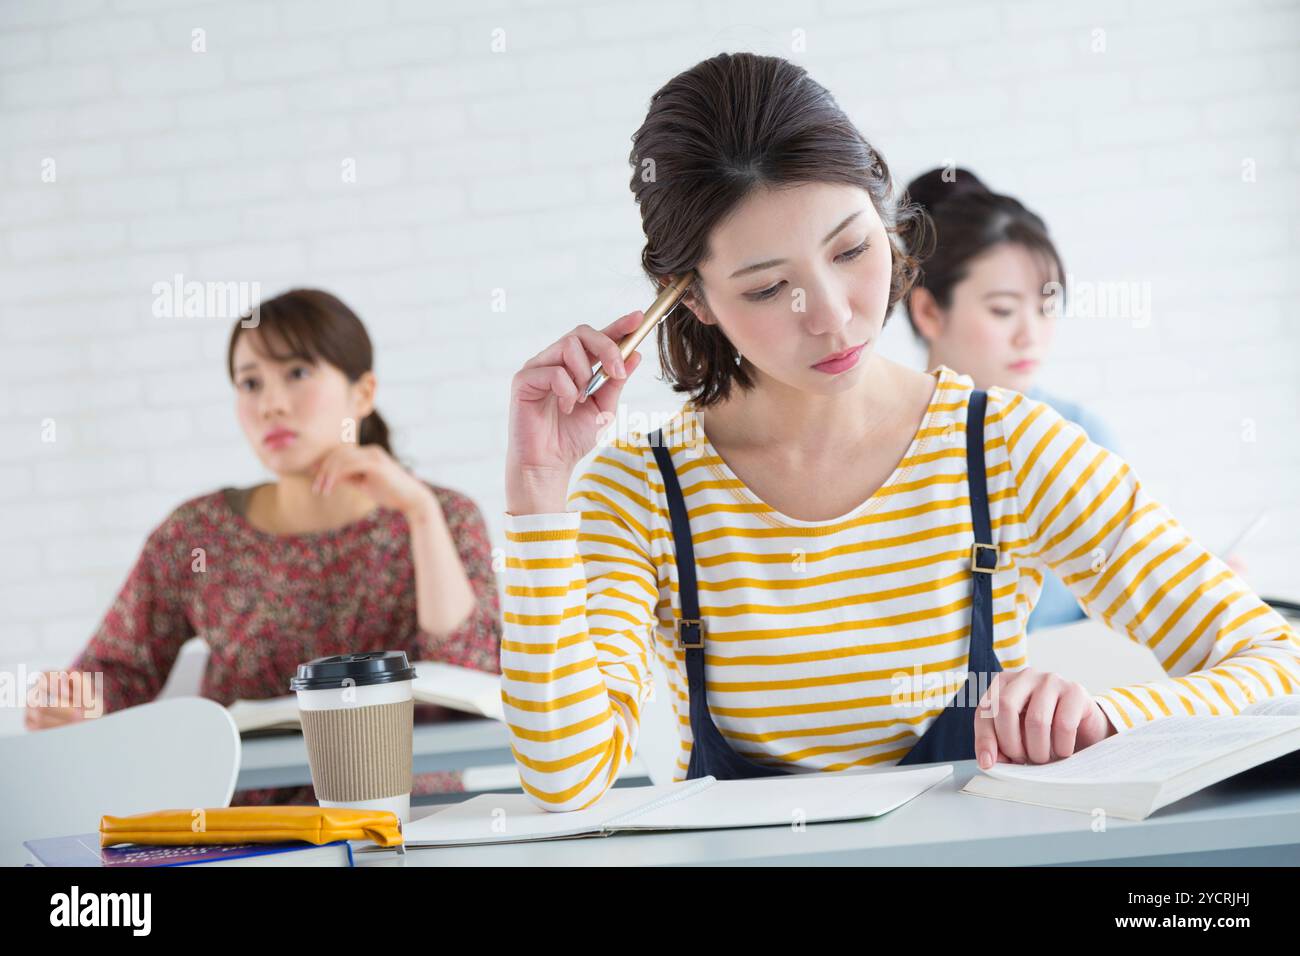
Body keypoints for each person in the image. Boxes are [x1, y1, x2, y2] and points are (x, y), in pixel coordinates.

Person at [497, 52, 1300, 813]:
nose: (836, 314)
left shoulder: (1007, 448)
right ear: (692, 299)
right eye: (771, 288)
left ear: (887, 220)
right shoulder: (640, 491)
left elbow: (1281, 668)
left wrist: (1108, 717)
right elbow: (566, 783)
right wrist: (537, 492)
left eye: (851, 248)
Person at [26, 288, 502, 805]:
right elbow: (118, 671)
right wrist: (73, 703)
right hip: (243, 823)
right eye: (250, 383)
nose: (270, 403)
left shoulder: (445, 516)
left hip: (409, 822)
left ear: (362, 393)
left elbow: (469, 677)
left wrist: (419, 514)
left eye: (297, 373)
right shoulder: (196, 534)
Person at [901, 168, 1249, 631]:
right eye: (1003, 310)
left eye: (1046, 307)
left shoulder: (1078, 433)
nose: (1031, 335)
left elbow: (1125, 599)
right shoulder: (892, 443)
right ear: (927, 311)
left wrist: (1194, 596)